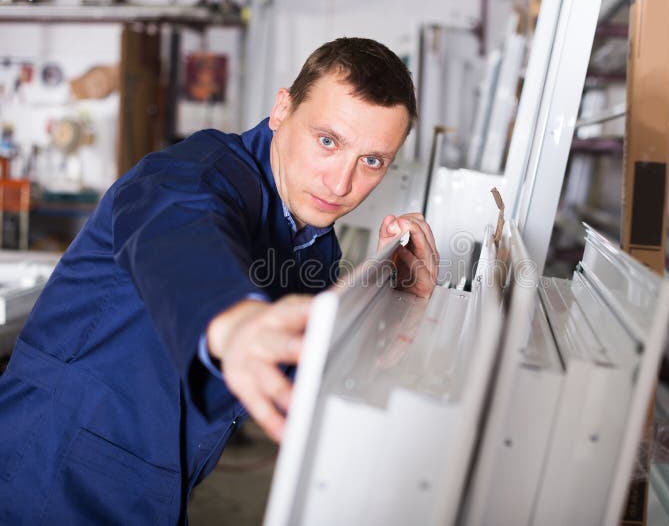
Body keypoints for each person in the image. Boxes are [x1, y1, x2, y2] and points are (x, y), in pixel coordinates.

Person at [0, 37, 438, 523]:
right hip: (45, 475)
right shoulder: (192, 175)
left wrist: (392, 309)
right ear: (281, 110)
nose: (341, 183)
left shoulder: (314, 239)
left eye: (372, 161)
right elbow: (180, 234)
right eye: (328, 141)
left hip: (156, 490)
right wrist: (235, 321)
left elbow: (297, 369)